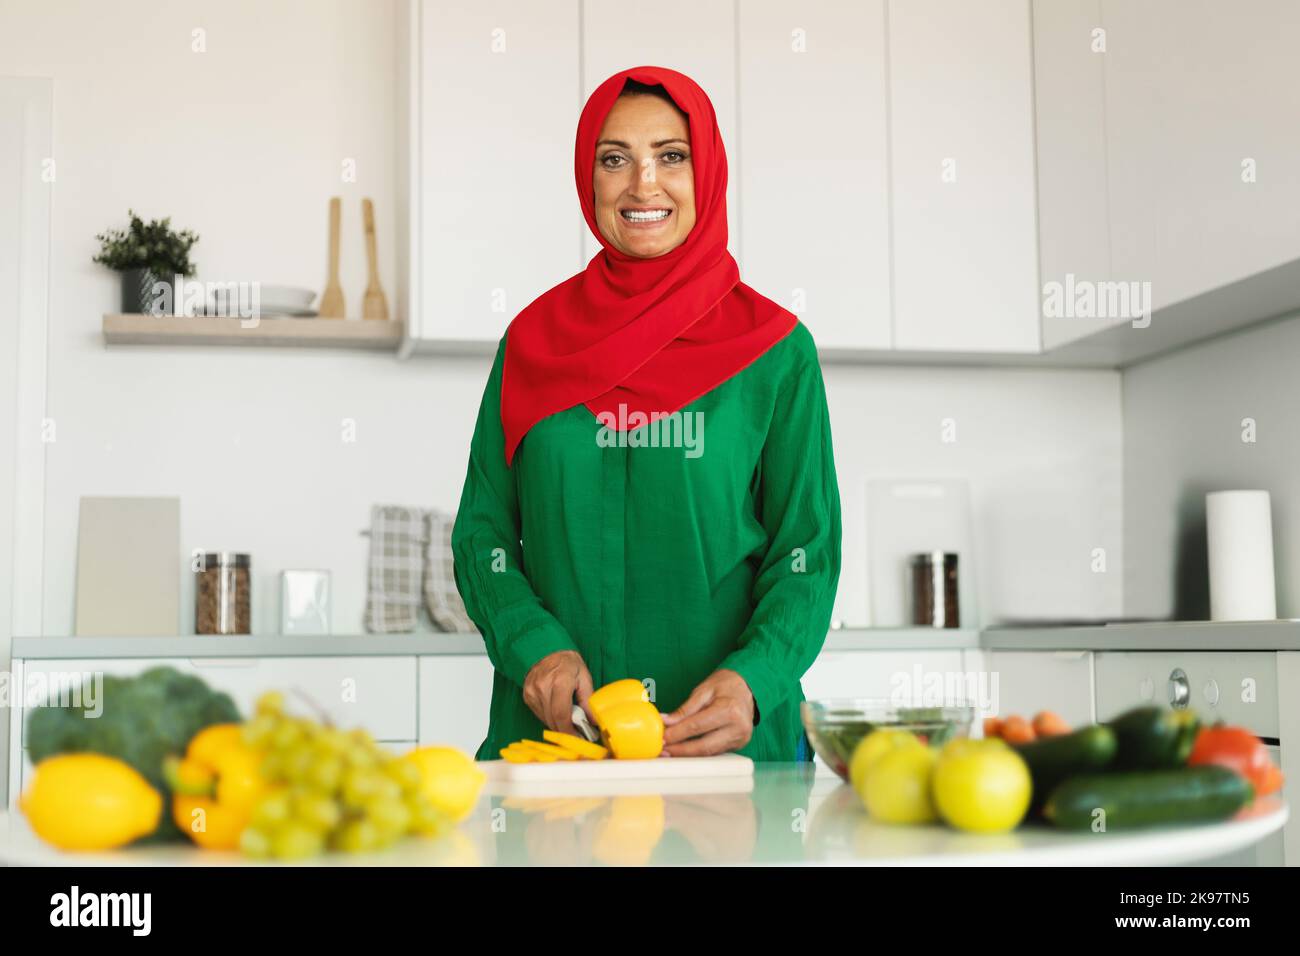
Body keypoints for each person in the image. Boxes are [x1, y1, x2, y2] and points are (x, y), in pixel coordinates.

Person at [452, 65, 841, 762]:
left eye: (671, 155)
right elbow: (484, 534)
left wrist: (754, 680)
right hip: (556, 751)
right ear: (588, 178)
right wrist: (533, 647)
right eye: (614, 159)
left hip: (729, 761)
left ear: (708, 171)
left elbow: (804, 555)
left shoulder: (778, 353)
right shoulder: (531, 343)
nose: (643, 184)